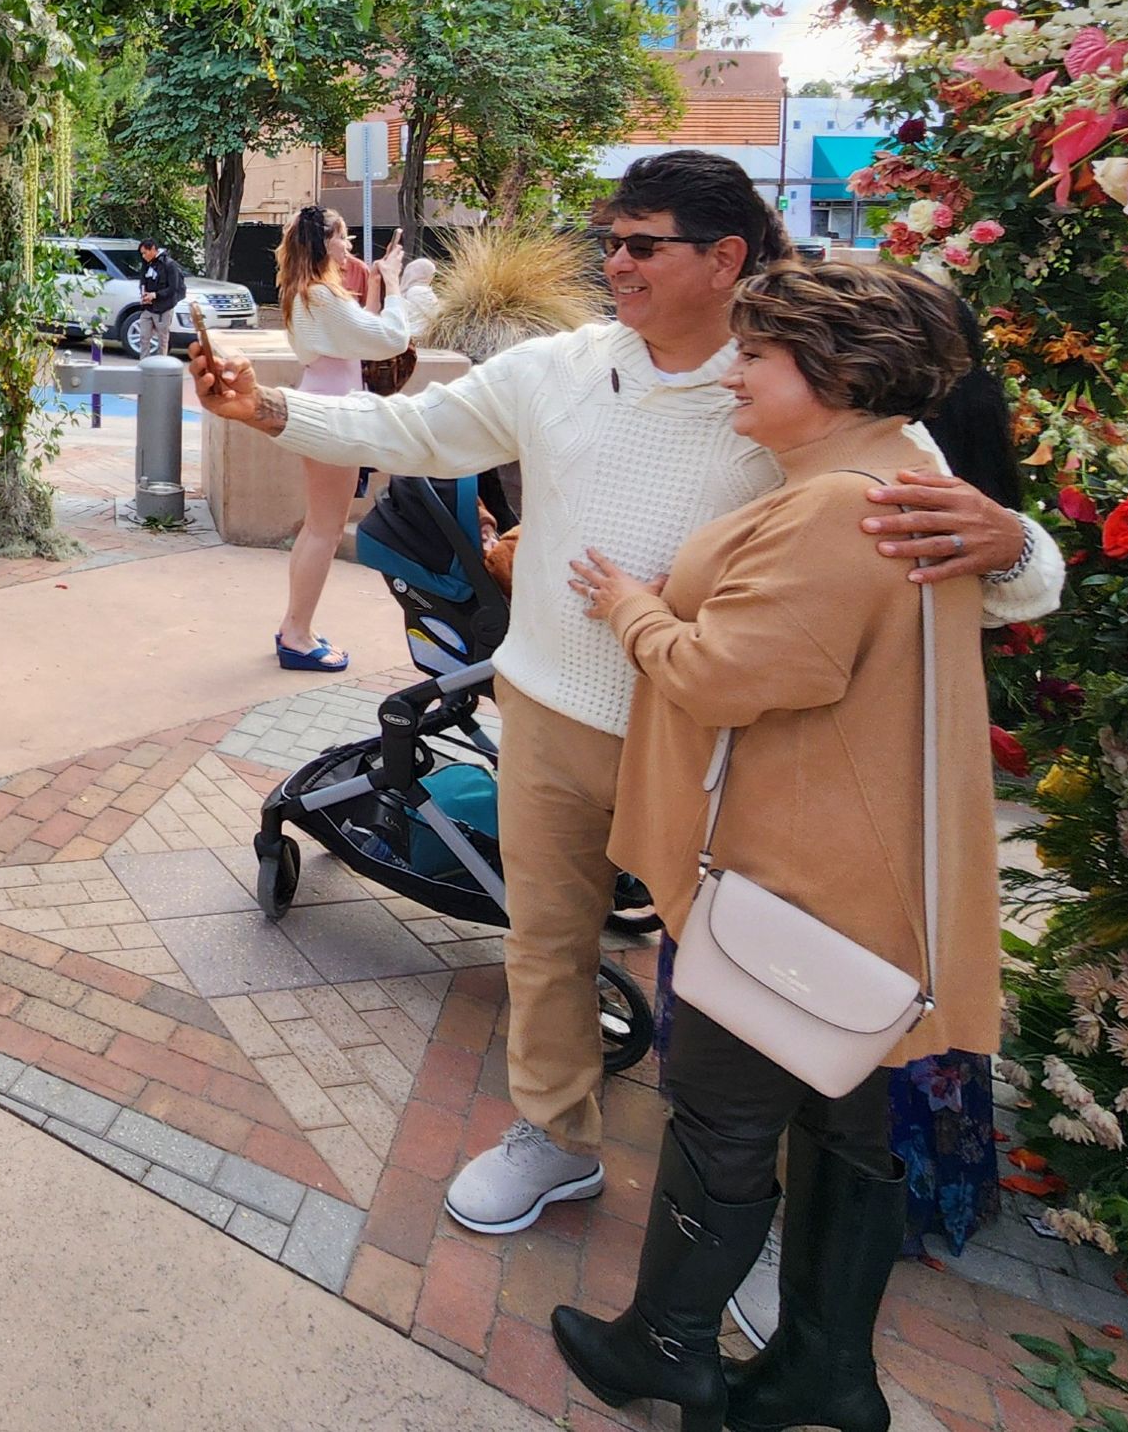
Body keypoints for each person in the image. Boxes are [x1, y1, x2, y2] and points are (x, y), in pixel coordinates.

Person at [188, 150, 1059, 1235]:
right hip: (551, 708)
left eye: (642, 244)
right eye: (611, 241)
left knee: (749, 975)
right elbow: (410, 434)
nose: (615, 263)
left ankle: (753, 1199)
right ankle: (554, 1137)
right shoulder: (562, 366)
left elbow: (978, 560)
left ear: (725, 257)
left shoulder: (798, 386)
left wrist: (1018, 547)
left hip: (724, 741)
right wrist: (265, 411)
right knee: (544, 942)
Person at [555, 260, 999, 1432]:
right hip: (853, 870)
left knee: (721, 1115)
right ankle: (827, 1372)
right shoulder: (889, 476)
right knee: (837, 1116)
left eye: (758, 356)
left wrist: (629, 608)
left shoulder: (835, 503)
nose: (736, 375)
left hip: (787, 873)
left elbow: (732, 673)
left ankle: (670, 1345)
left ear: (841, 372)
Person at [273, 205, 417, 671]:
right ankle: (296, 635)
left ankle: (294, 627)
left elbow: (360, 336)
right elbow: (391, 338)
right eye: (341, 237)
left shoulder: (308, 293)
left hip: (324, 407)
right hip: (334, 416)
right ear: (323, 243)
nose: (348, 244)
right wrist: (394, 283)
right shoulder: (321, 296)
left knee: (319, 527)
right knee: (325, 530)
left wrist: (374, 288)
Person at [129, 237, 185, 357]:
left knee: (162, 340)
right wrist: (144, 293)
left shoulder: (169, 265)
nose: (143, 256)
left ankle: (161, 365)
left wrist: (155, 295)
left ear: (153, 249)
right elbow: (143, 280)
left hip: (163, 308)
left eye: (145, 253)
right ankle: (143, 364)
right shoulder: (146, 264)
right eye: (142, 254)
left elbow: (173, 288)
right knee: (144, 337)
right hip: (148, 307)